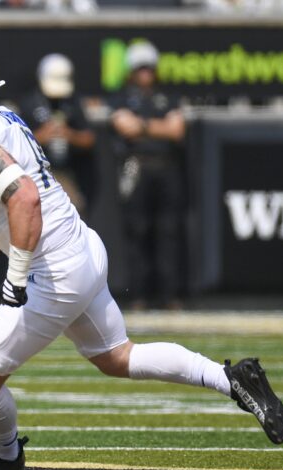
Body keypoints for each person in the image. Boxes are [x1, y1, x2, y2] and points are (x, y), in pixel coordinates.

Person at [0, 45, 283, 470]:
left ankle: (4, 456)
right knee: (117, 357)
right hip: (82, 247)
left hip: (54, 271)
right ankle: (231, 378)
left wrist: (15, 281)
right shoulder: (0, 117)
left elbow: (23, 199)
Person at [109, 40, 185, 309]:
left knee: (168, 231)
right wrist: (157, 126)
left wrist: (141, 125)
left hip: (165, 167)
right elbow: (123, 126)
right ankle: (138, 295)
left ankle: (170, 295)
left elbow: (177, 130)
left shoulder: (168, 97)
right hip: (137, 167)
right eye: (140, 68)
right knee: (137, 230)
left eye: (149, 68)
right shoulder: (121, 97)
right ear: (131, 70)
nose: (145, 74)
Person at [18, 53, 95, 217]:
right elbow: (15, 143)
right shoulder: (28, 102)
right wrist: (40, 137)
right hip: (32, 174)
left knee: (71, 212)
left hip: (65, 174)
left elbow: (89, 138)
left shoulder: (73, 102)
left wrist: (69, 134)